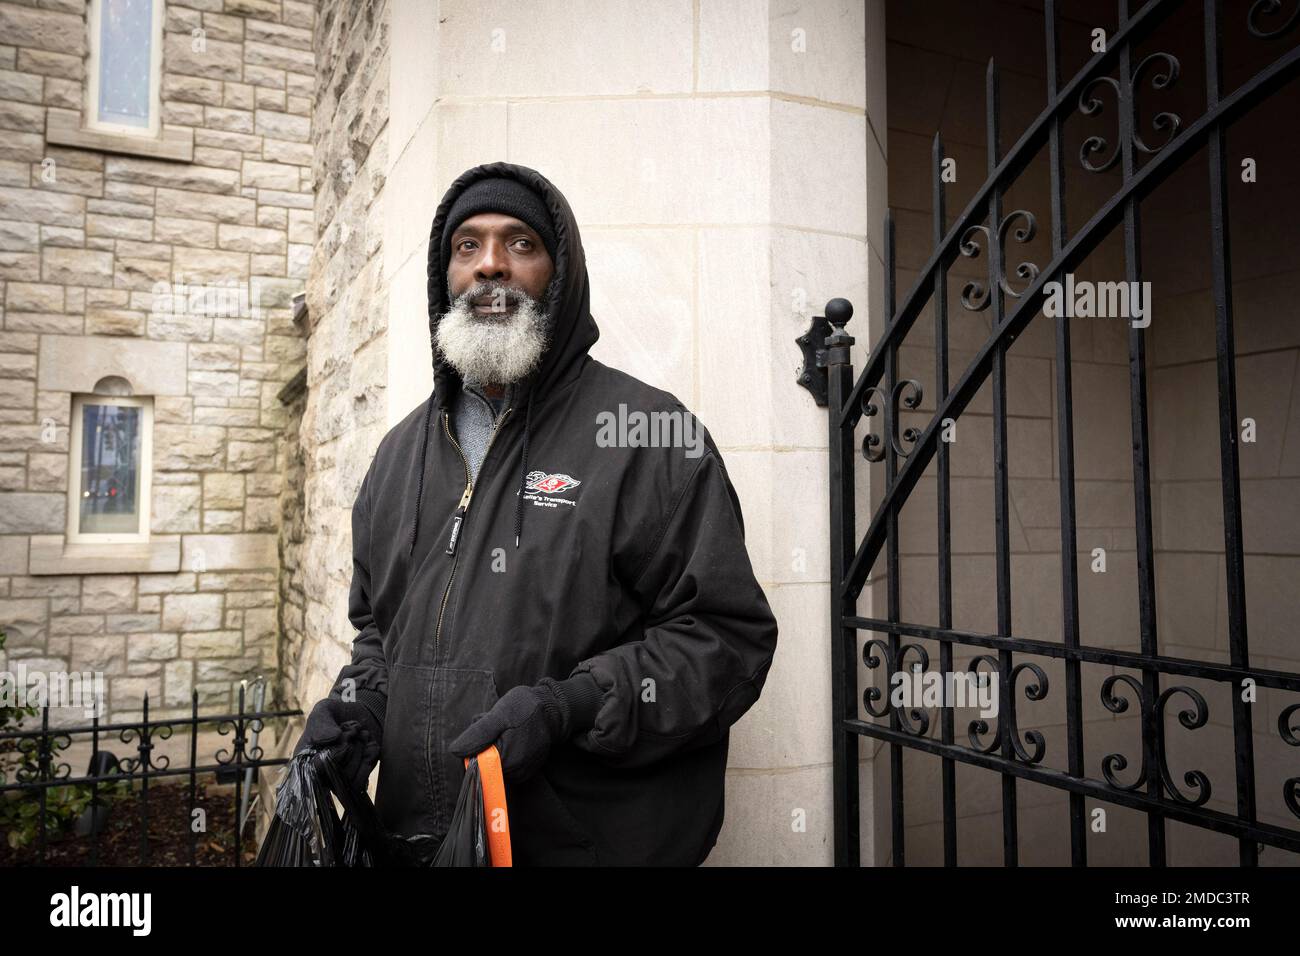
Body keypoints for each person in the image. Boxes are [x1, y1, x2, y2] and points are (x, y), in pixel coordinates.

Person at [294, 161, 778, 865]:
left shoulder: (646, 433)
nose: (491, 264)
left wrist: (569, 708)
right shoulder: (398, 456)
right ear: (445, 277)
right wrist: (362, 708)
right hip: (415, 844)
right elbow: (379, 630)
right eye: (468, 246)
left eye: (520, 243)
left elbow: (725, 640)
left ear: (559, 272)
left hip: (579, 843)